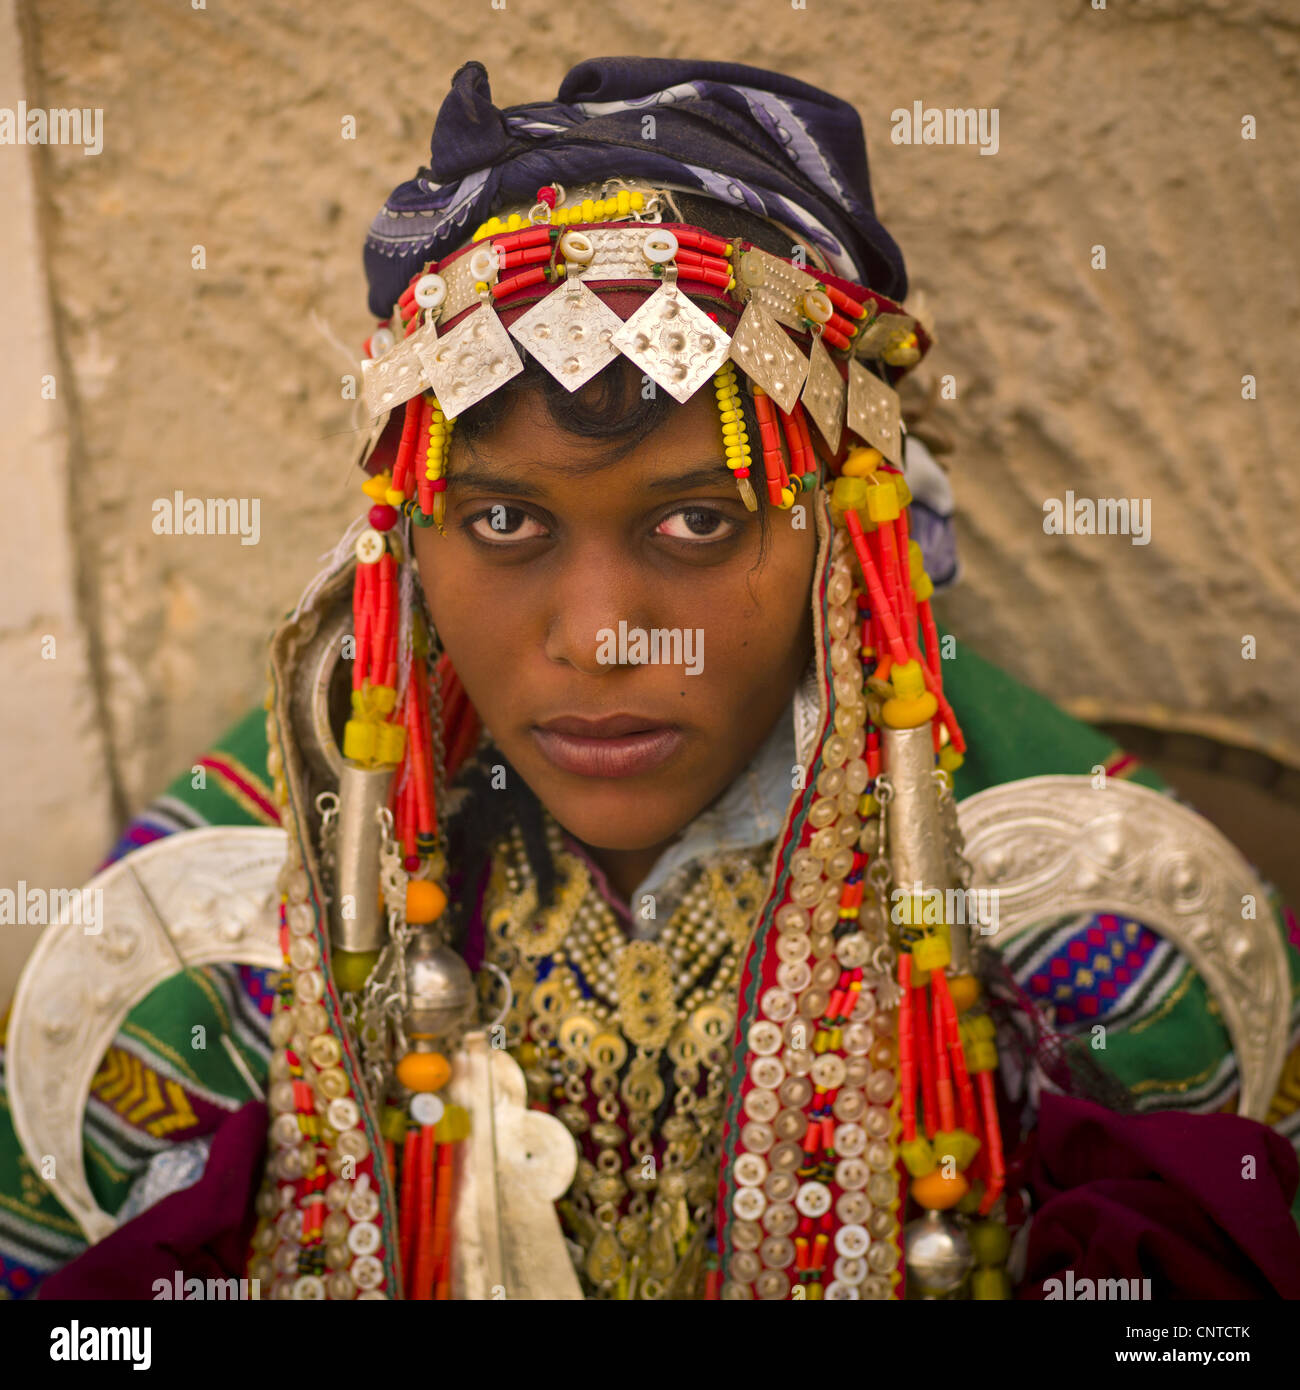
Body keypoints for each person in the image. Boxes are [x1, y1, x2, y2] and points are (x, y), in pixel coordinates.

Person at [2, 56, 1298, 1303]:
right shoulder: (240, 906)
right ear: (401, 538)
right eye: (506, 522)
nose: (605, 635)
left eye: (696, 522)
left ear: (847, 529)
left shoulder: (1088, 909)